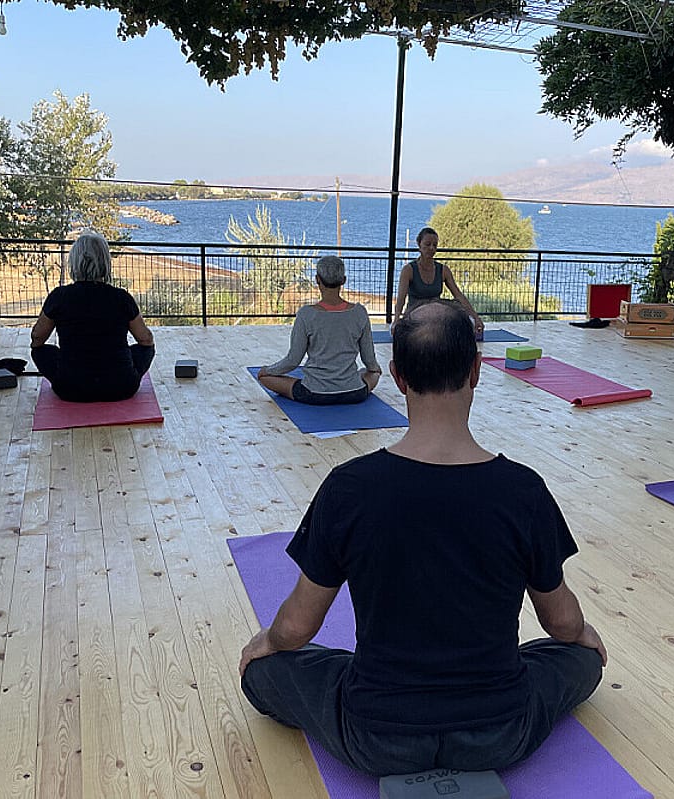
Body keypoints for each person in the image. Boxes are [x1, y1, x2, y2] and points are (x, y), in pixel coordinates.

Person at [238, 302, 606, 777]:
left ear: (397, 375)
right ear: (476, 370)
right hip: (499, 731)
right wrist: (583, 637)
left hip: (376, 735)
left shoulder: (350, 487)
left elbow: (296, 629)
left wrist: (265, 642)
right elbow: (561, 622)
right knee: (580, 657)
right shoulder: (523, 490)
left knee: (265, 668)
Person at [30, 231, 155, 402]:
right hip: (121, 387)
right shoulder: (121, 298)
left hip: (70, 388)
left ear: (74, 263)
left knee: (41, 352)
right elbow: (146, 340)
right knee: (141, 351)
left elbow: (37, 339)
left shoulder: (59, 296)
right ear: (105, 262)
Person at [257, 255, 382, 404]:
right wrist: (375, 369)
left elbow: (293, 360)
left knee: (264, 377)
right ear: (343, 280)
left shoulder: (306, 314)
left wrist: (268, 370)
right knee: (370, 373)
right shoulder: (359, 312)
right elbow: (369, 360)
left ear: (317, 280)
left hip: (314, 393)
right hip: (354, 392)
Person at [392, 226, 485, 337]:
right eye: (427, 244)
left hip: (435, 314)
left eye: (434, 245)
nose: (431, 248)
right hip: (415, 315)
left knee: (457, 311)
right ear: (419, 245)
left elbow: (459, 295)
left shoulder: (443, 270)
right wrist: (396, 320)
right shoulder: (409, 270)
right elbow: (401, 299)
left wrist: (476, 318)